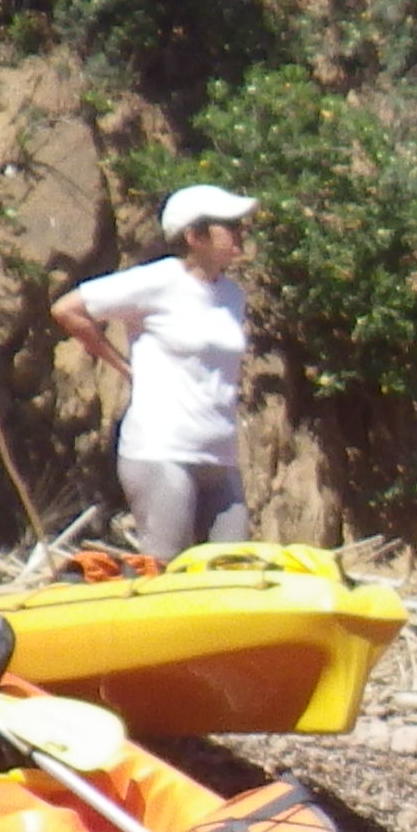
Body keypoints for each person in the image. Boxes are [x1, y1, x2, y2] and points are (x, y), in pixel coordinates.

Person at [51, 184, 259, 561]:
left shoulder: (233, 295)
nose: (240, 233)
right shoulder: (157, 281)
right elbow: (68, 309)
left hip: (220, 456)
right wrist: (122, 366)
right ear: (194, 236)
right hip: (161, 451)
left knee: (233, 568)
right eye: (230, 226)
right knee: (167, 565)